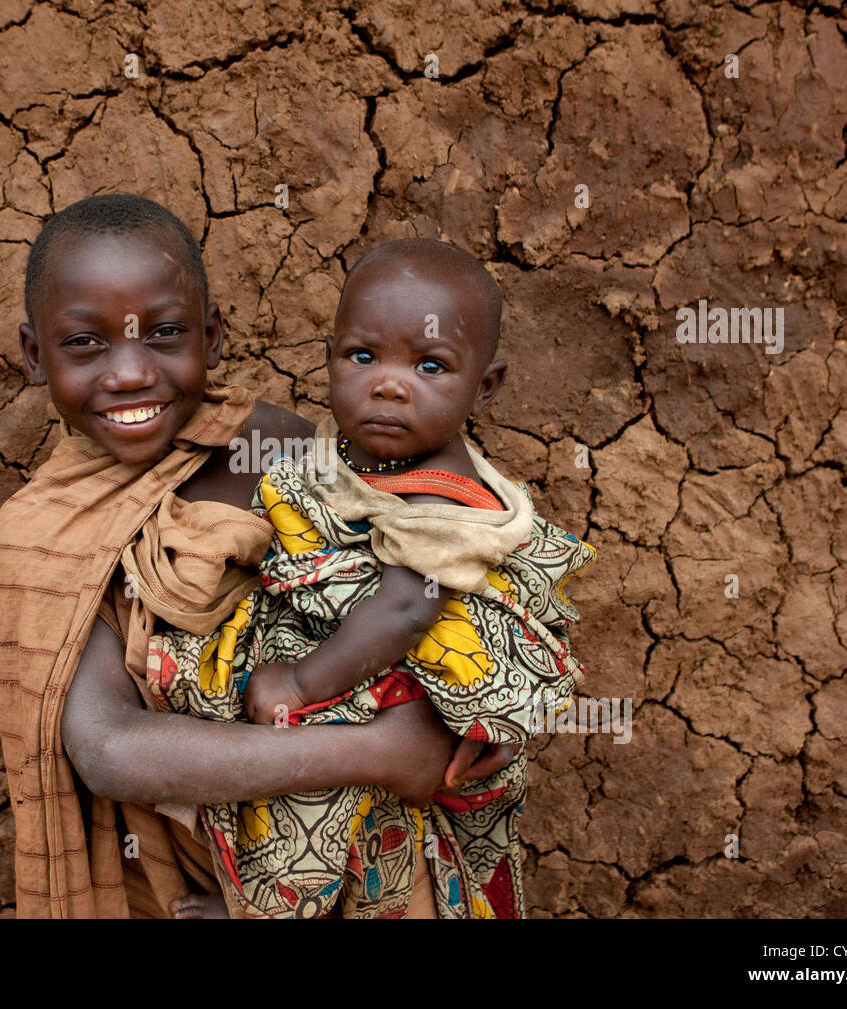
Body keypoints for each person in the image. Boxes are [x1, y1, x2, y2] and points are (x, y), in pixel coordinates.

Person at [0, 196, 515, 918]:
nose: (131, 373)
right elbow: (107, 748)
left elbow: (433, 592)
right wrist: (380, 753)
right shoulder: (47, 533)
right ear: (32, 354)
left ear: (213, 335)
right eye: (85, 344)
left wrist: (481, 713)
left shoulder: (283, 449)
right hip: (186, 881)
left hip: (376, 854)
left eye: (165, 333)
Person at [140, 239, 597, 917]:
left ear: (486, 385)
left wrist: (298, 683)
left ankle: (264, 911)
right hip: (363, 670)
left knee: (309, 792)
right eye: (363, 356)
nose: (389, 383)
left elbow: (407, 608)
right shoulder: (355, 453)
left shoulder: (443, 499)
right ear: (329, 355)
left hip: (402, 692)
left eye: (430, 365)